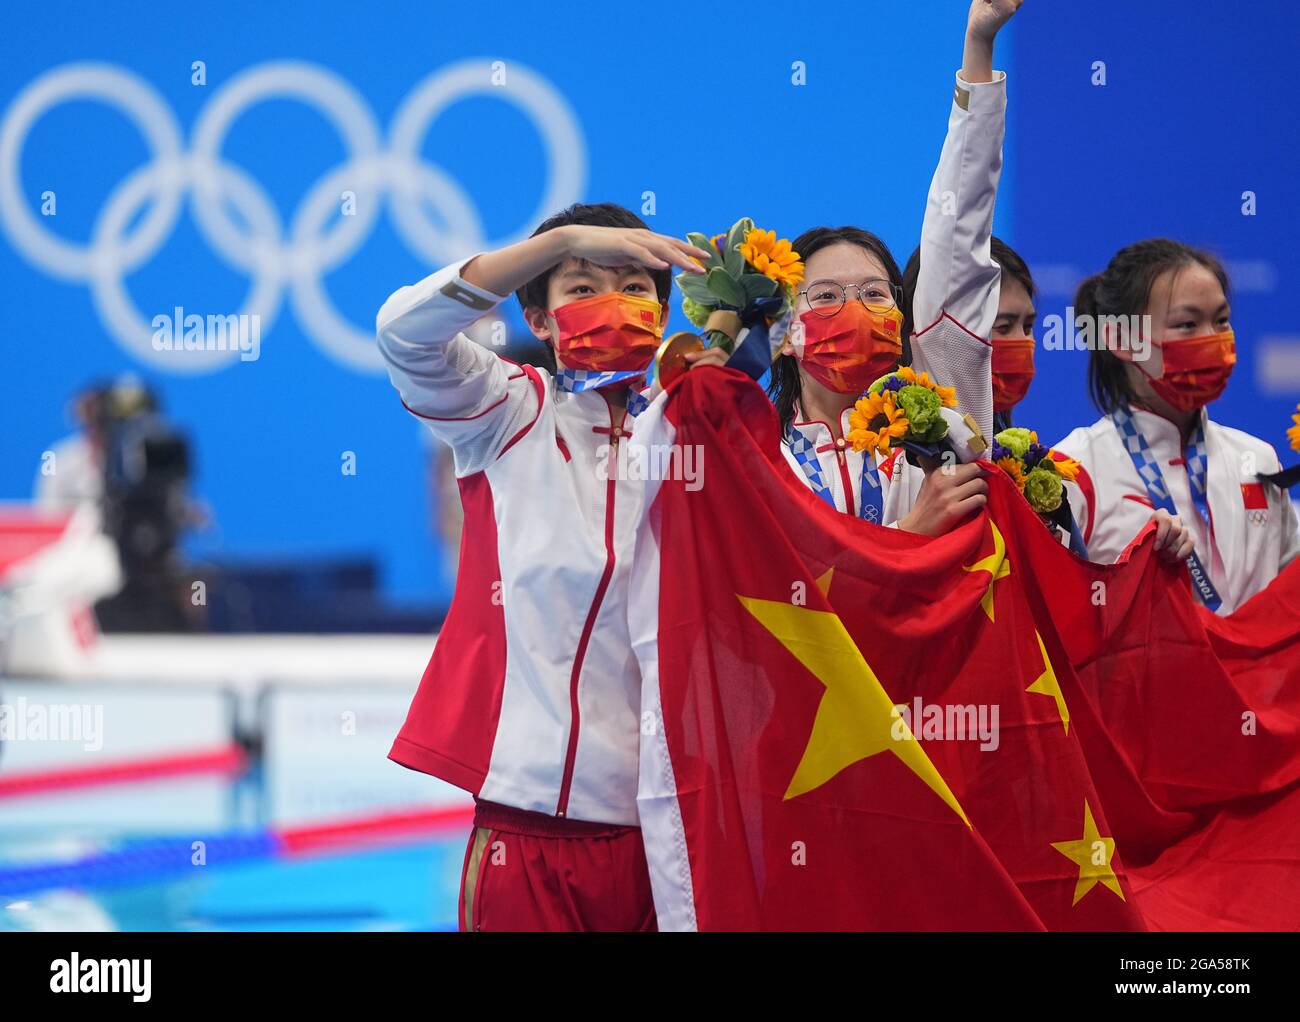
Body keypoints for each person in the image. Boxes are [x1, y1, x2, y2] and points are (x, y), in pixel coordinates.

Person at [375, 202, 714, 931]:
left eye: (634, 287)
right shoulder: (508, 412)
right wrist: (557, 242)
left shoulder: (698, 435)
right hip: (527, 832)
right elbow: (401, 332)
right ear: (540, 319)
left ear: (663, 312)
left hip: (671, 837)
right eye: (581, 287)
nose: (610, 305)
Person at [768, 0, 1019, 537]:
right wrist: (911, 534)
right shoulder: (757, 457)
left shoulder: (940, 429)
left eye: (876, 295)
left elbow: (959, 236)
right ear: (783, 333)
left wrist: (979, 47)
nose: (855, 310)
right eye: (828, 296)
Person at [1056, 238, 1298, 612]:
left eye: (1221, 320)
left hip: (1253, 673)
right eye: (1187, 324)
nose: (1213, 340)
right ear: (1121, 339)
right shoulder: (1074, 469)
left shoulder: (1257, 459)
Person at [903, 235, 1037, 435]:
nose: (1023, 340)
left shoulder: (1018, 455)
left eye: (1027, 327)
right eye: (1003, 326)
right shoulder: (886, 451)